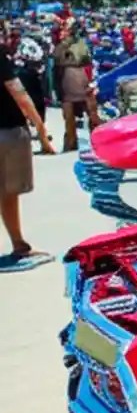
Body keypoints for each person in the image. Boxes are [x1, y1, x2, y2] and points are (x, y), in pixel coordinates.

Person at [0, 27, 56, 271]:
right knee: (9, 191)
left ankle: (20, 244)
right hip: (8, 131)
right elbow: (19, 94)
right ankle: (20, 246)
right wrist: (42, 132)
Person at [52, 19, 100, 152]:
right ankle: (71, 143)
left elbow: (85, 60)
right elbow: (57, 60)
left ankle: (99, 141)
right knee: (69, 117)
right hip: (67, 82)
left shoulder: (82, 44)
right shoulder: (59, 46)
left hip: (82, 79)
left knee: (92, 114)